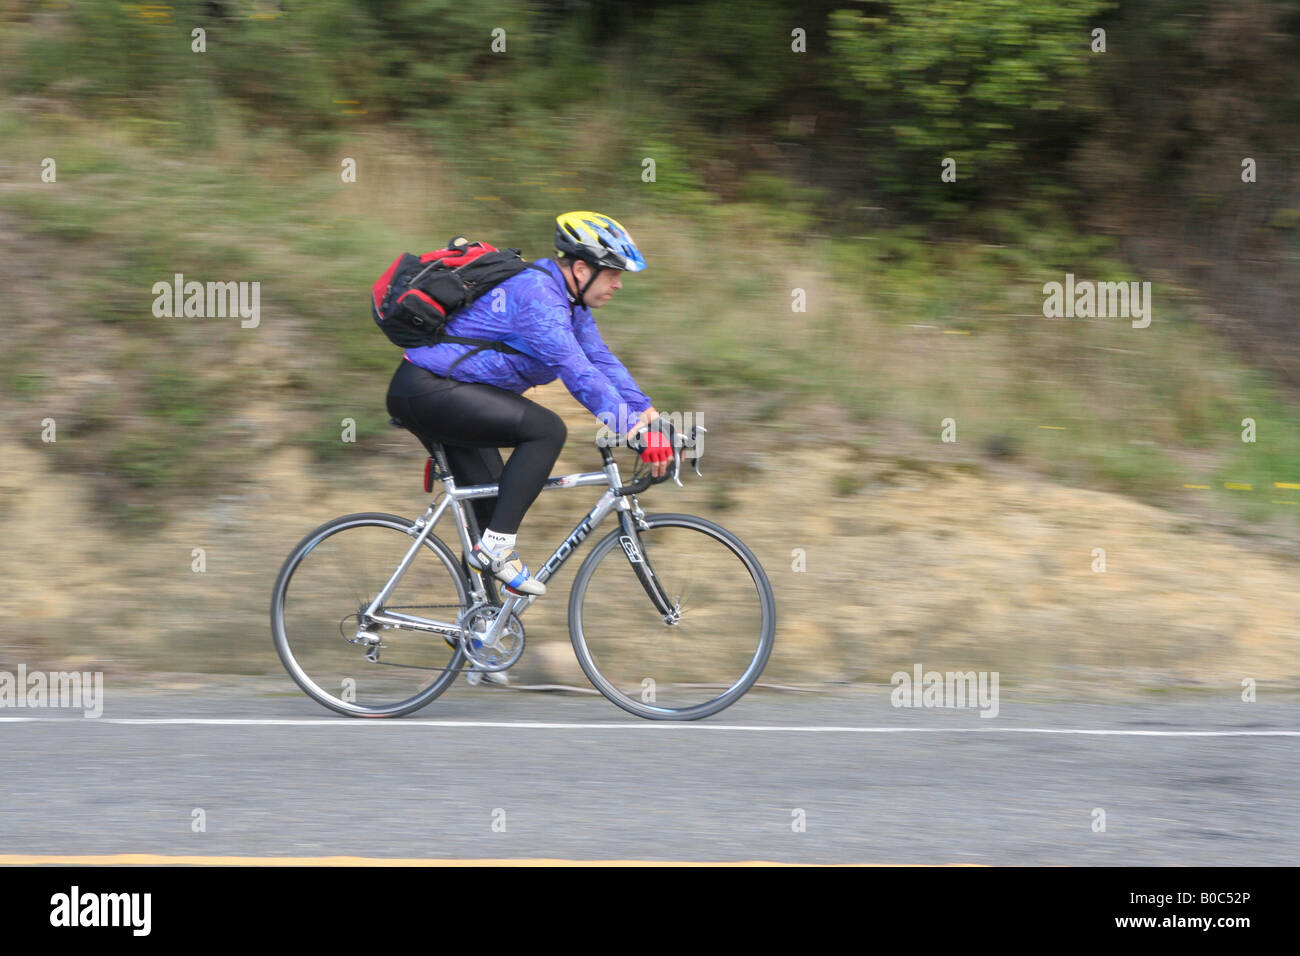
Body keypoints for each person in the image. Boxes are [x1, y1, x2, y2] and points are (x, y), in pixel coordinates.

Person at [385, 211, 674, 603]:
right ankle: (497, 549)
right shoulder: (538, 296)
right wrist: (634, 432)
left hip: (457, 393)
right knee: (547, 430)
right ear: (582, 268)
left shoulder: (571, 305)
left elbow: (600, 361)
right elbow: (575, 371)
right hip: (427, 391)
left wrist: (649, 415)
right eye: (613, 274)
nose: (618, 285)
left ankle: (477, 638)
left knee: (490, 517)